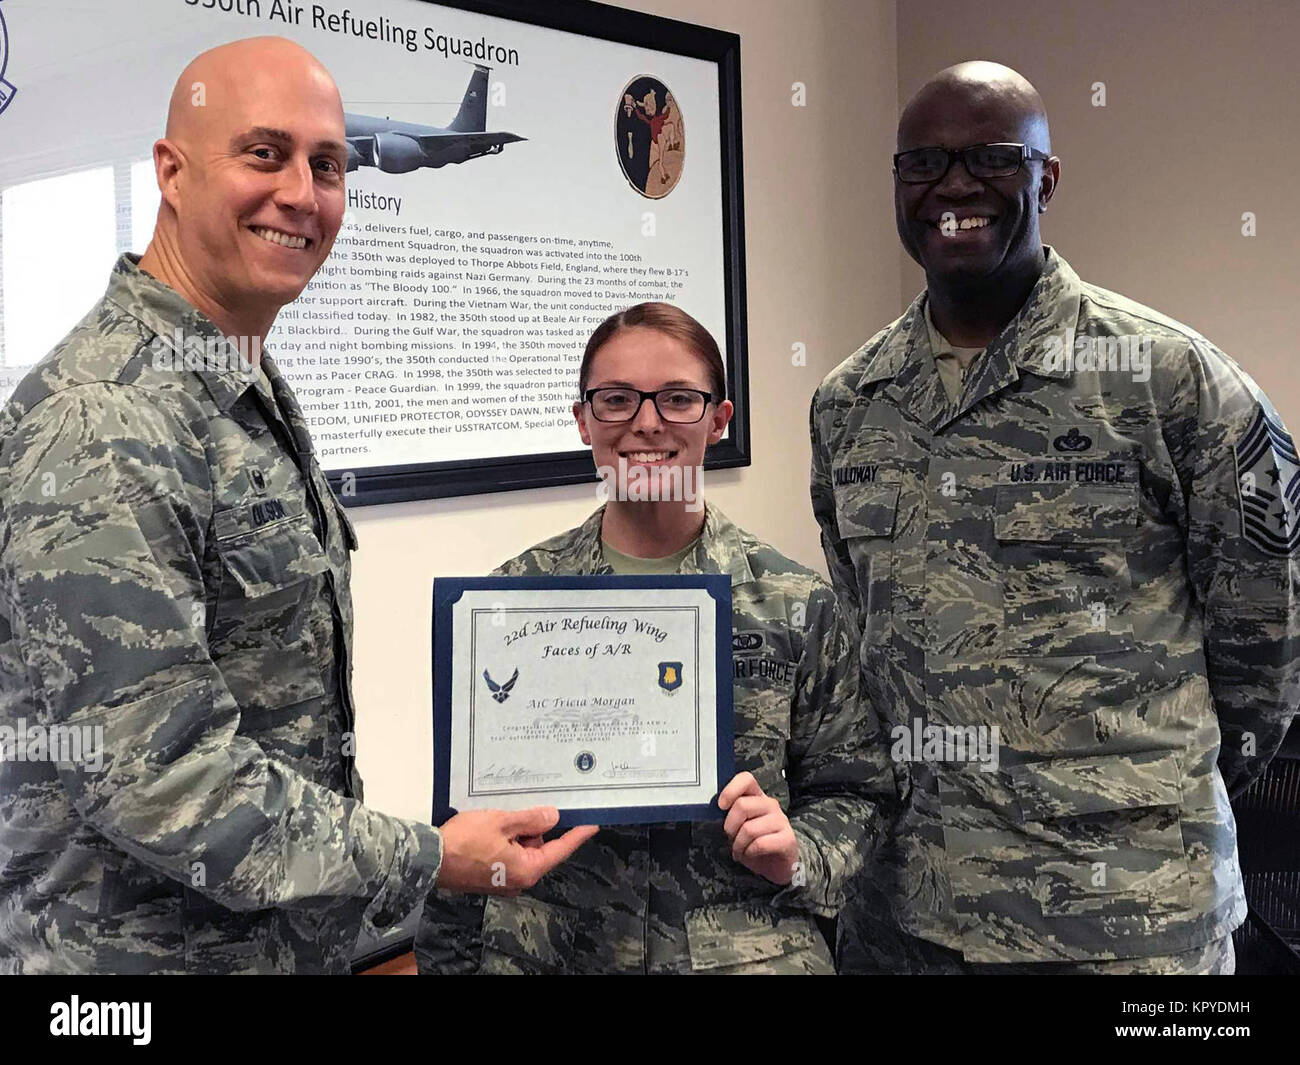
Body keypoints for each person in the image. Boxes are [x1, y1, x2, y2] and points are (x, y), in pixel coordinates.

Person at [0, 36, 592, 975]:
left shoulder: (232, 377)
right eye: (264, 154)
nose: (303, 194)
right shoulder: (106, 419)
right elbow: (164, 780)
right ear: (171, 172)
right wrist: (433, 856)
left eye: (328, 164)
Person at [811, 60, 1299, 974]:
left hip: (1126, 917)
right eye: (923, 164)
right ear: (897, 185)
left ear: (1047, 177)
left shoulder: (1172, 381)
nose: (954, 186)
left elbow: (1266, 642)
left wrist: (1150, 787)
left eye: (991, 157)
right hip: (911, 910)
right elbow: (862, 624)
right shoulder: (850, 402)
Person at [417, 303, 894, 974]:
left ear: (719, 420)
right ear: (583, 418)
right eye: (616, 400)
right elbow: (470, 822)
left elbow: (860, 792)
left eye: (677, 399)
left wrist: (801, 849)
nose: (646, 422)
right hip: (551, 954)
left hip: (745, 954)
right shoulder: (507, 605)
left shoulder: (794, 602)